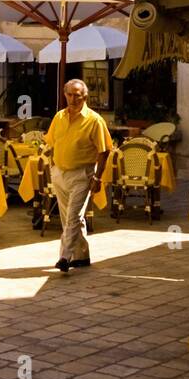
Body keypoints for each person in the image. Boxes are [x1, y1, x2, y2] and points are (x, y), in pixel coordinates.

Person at [44, 78, 113, 272]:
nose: (73, 99)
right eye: (70, 94)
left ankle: (65, 257)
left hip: (82, 174)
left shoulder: (94, 120)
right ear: (65, 94)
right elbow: (52, 142)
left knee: (73, 216)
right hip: (59, 173)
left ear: (85, 97)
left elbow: (104, 150)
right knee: (70, 217)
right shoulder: (59, 117)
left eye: (77, 95)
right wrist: (52, 164)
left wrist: (98, 178)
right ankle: (81, 256)